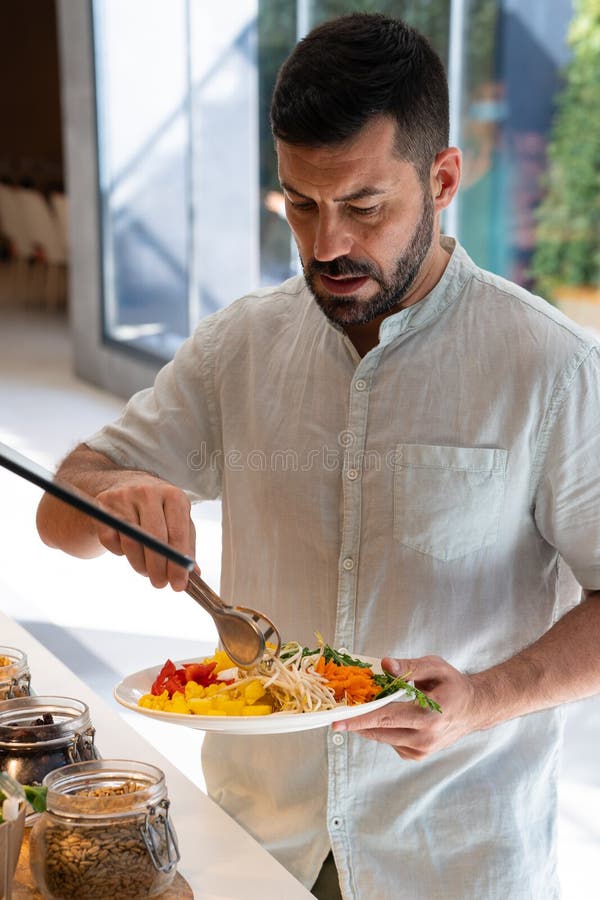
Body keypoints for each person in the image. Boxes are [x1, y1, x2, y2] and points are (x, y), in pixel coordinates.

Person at [36, 13, 600, 900]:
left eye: (364, 207)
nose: (326, 243)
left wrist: (486, 699)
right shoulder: (242, 345)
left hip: (453, 862)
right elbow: (58, 510)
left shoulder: (551, 368)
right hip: (256, 850)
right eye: (300, 202)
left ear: (444, 177)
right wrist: (117, 497)